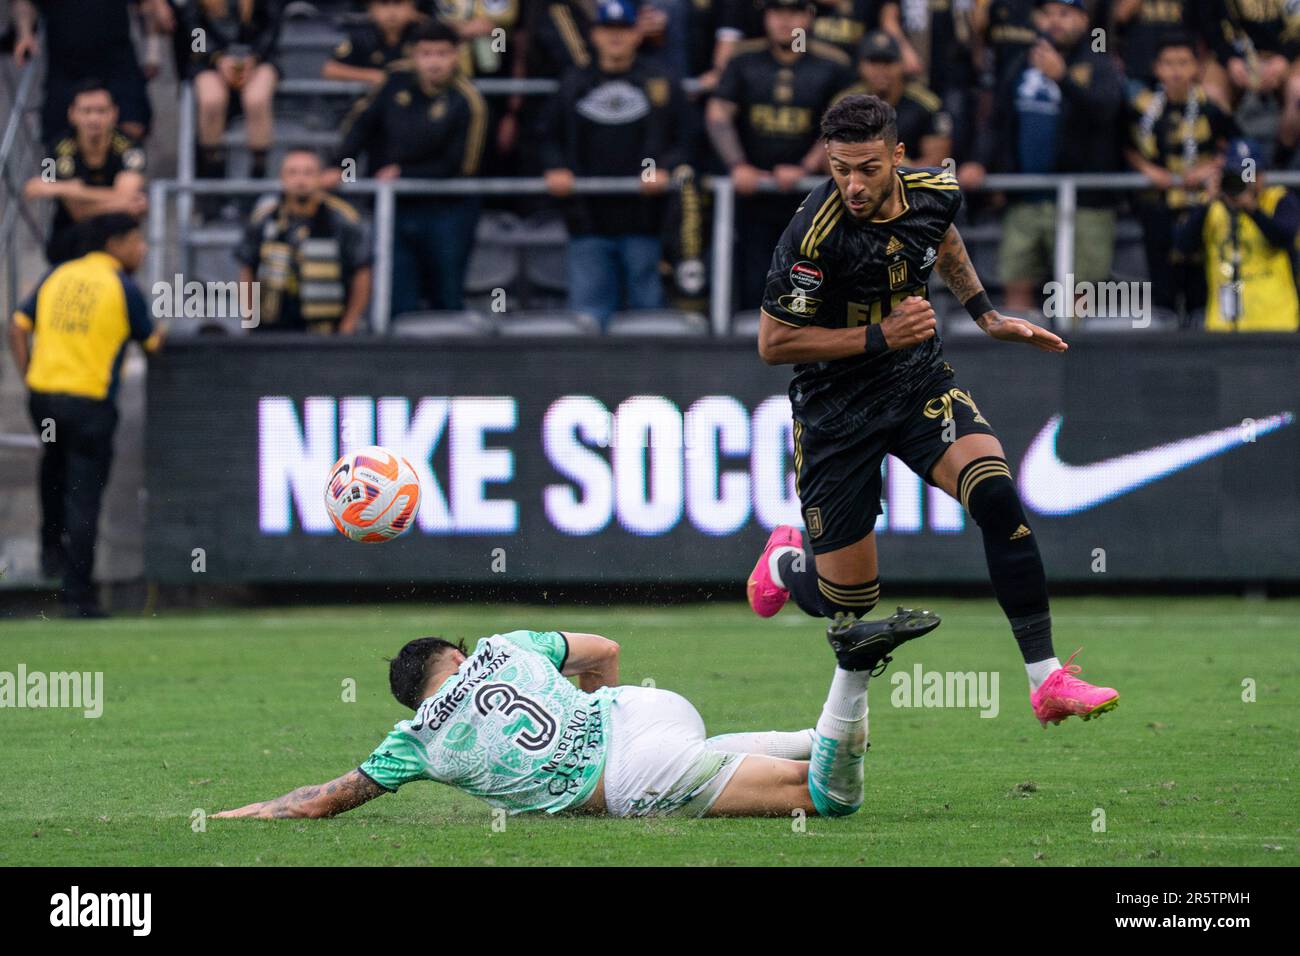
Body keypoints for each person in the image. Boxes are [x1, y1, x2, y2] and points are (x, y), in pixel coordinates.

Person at [749, 94, 1120, 727]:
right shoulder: (814, 235)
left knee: (997, 497)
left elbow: (939, 240)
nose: (853, 185)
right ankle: (788, 562)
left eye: (867, 167)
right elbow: (772, 344)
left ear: (897, 155)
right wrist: (879, 336)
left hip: (917, 384)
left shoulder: (934, 192)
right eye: (840, 169)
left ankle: (1047, 679)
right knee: (850, 600)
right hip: (836, 414)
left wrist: (986, 314)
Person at [212, 611, 939, 820]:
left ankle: (852, 666)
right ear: (458, 658)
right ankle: (827, 721)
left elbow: (322, 802)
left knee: (825, 800)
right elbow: (606, 650)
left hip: (634, 776)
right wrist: (595, 714)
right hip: (648, 711)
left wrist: (234, 817)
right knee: (813, 754)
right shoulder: (507, 645)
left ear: (419, 693)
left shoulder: (415, 740)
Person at [7, 214, 163, 618]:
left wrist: (29, 376)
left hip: (43, 398)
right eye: (136, 241)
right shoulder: (123, 287)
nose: (142, 249)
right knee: (85, 497)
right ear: (115, 243)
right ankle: (78, 596)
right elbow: (151, 343)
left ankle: (49, 550)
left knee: (52, 467)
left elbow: (17, 327)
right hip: (90, 404)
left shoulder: (57, 275)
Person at [968, 0, 1125, 315]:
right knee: (1016, 282)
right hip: (1026, 197)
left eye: (1064, 13)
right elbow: (998, 119)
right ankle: (1018, 360)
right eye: (1048, 13)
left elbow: (1106, 114)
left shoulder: (1099, 63)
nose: (1055, 21)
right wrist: (979, 161)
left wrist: (1063, 79)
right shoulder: (1021, 62)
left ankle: (1076, 360)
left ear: (1083, 18)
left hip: (1084, 200)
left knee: (1078, 295)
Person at [706, 0, 856, 310]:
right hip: (753, 194)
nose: (785, 20)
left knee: (813, 283)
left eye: (795, 12)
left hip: (813, 199)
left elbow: (842, 124)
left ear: (809, 16)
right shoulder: (743, 60)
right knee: (754, 280)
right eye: (777, 12)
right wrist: (738, 165)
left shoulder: (833, 64)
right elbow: (718, 114)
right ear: (766, 17)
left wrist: (805, 167)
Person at [542, 0, 684, 327]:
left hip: (643, 220)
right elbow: (547, 136)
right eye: (608, 30)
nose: (615, 38)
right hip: (588, 221)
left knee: (649, 320)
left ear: (637, 33)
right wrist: (556, 167)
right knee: (587, 320)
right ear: (594, 35)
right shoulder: (573, 82)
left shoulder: (661, 80)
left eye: (623, 30)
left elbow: (686, 138)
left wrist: (665, 168)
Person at [334, 19, 488, 315]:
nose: (434, 62)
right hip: (396, 207)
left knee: (446, 296)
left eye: (442, 54)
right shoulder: (394, 80)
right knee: (396, 297)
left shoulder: (469, 101)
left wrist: (405, 174)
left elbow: (462, 166)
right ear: (413, 56)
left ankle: (449, 359)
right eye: (426, 54)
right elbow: (360, 125)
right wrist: (339, 164)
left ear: (456, 55)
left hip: (448, 210)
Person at [1124, 34, 1238, 319]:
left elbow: (1238, 148)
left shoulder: (1211, 108)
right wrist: (1147, 170)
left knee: (1199, 284)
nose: (1176, 71)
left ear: (1196, 68)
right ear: (1156, 68)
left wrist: (1210, 168)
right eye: (1168, 63)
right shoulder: (1140, 107)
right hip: (1156, 207)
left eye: (1183, 63)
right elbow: (1121, 146)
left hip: (1202, 207)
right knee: (1162, 282)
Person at [234, 149, 373, 334]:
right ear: (282, 178)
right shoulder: (264, 218)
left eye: (308, 172)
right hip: (271, 330)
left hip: (326, 331)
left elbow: (362, 273)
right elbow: (247, 270)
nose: (301, 180)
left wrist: (348, 326)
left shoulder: (344, 219)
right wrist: (249, 319)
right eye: (293, 172)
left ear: (320, 177)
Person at [1174, 138, 1300, 331]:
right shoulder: (1212, 206)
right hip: (1223, 324)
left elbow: (1283, 238)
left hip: (1275, 322)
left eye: (1250, 173)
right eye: (1238, 174)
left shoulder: (1278, 200)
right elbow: (1183, 246)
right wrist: (1206, 201)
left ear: (1261, 176)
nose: (1244, 180)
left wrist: (1251, 208)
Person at [22, 80, 148, 266]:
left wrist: (68, 189)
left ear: (114, 113)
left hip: (115, 239)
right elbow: (78, 212)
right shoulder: (59, 148)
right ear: (72, 114)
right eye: (86, 111)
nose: (94, 119)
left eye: (101, 111)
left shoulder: (130, 147)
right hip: (71, 237)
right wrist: (121, 202)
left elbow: (127, 196)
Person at [12, 0, 161, 145]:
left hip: (117, 62)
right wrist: (25, 34)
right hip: (65, 67)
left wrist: (153, 52)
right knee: (55, 137)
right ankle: (50, 171)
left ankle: (128, 167)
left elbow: (146, 4)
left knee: (132, 127)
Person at [171, 0, 284, 190]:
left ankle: (258, 173)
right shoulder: (195, 5)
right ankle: (212, 171)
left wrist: (253, 59)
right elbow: (195, 36)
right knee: (211, 100)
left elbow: (272, 32)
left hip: (258, 60)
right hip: (209, 61)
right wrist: (217, 59)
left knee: (256, 100)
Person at [834, 30, 952, 168]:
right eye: (874, 62)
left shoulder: (927, 105)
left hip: (911, 184)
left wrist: (893, 177)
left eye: (888, 62)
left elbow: (937, 159)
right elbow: (831, 156)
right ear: (861, 66)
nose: (881, 70)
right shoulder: (845, 105)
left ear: (902, 65)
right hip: (856, 182)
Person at [322, 0, 427, 86]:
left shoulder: (425, 33)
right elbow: (330, 69)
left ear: (412, 7)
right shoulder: (361, 35)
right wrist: (372, 76)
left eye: (398, 3)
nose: (391, 12)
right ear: (371, 9)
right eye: (383, 4)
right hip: (370, 100)